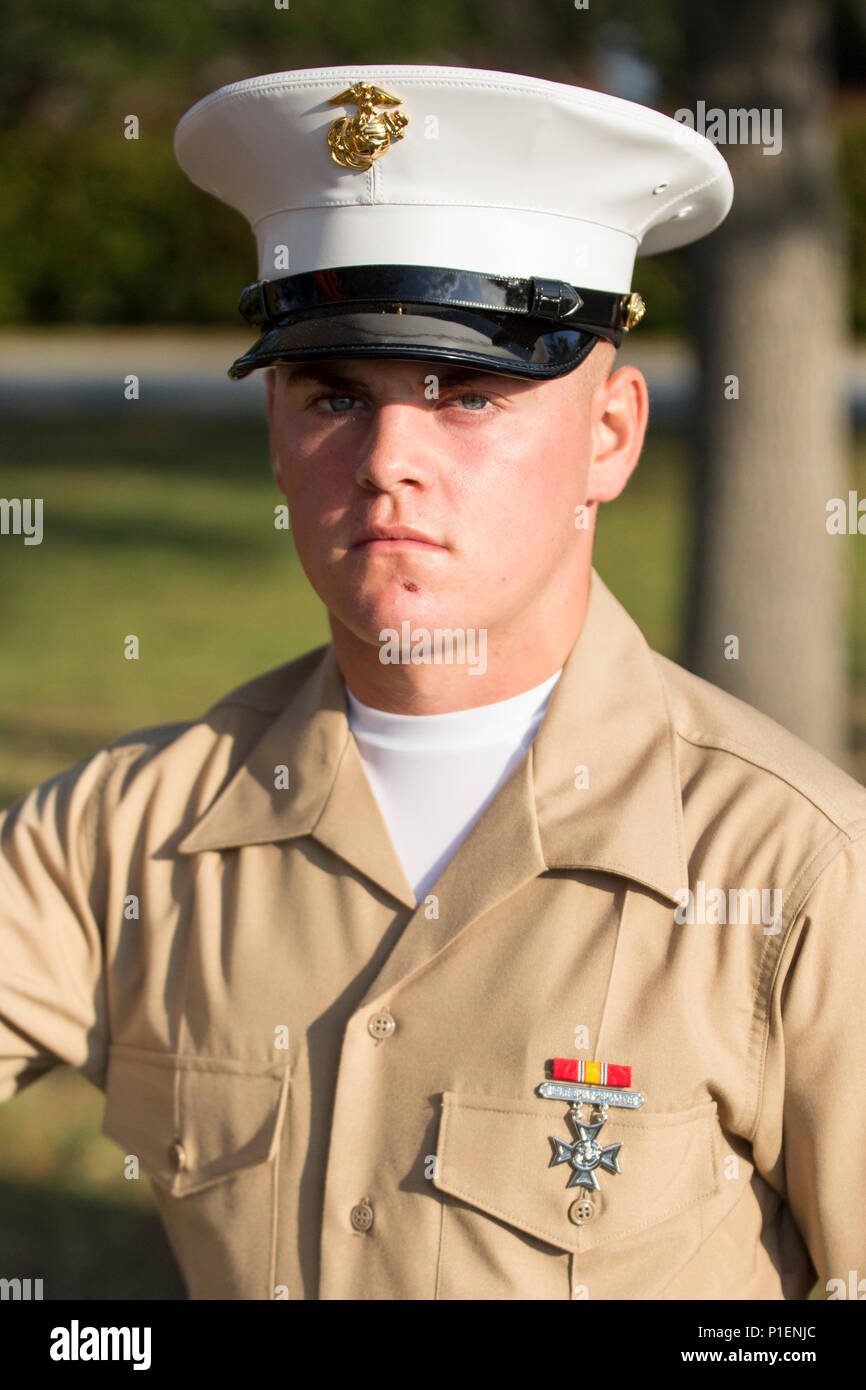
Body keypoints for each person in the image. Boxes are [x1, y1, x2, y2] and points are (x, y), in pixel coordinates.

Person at [1, 63, 864, 1302]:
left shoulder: (793, 874)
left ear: (608, 434)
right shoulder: (123, 837)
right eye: (333, 394)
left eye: (470, 393)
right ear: (276, 438)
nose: (389, 457)